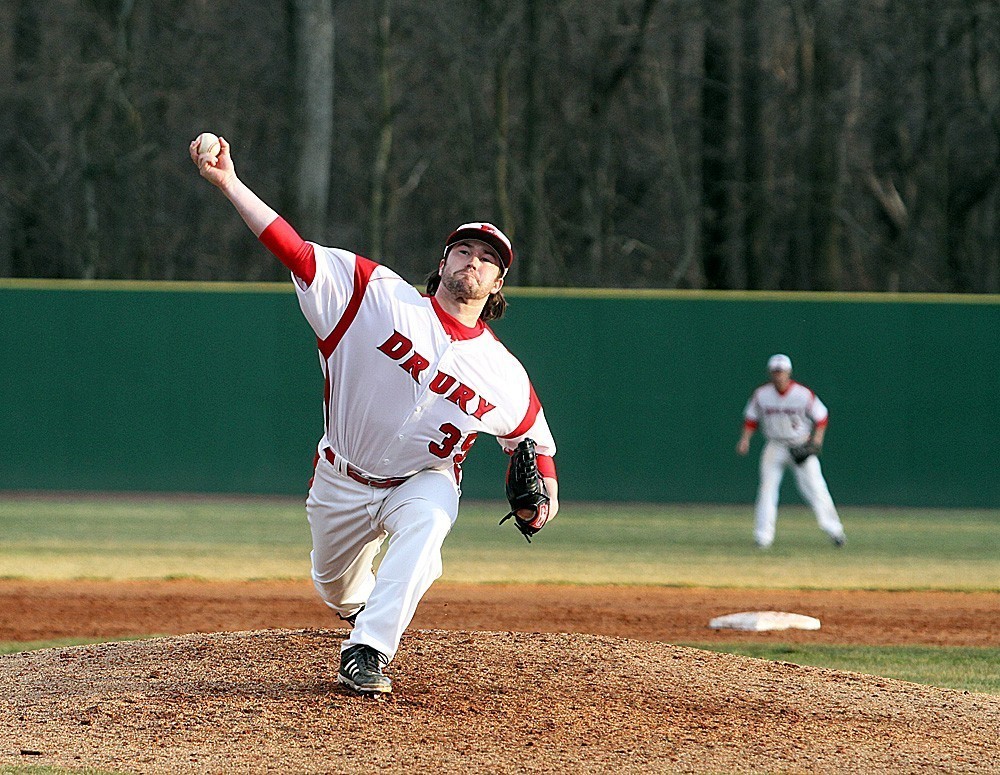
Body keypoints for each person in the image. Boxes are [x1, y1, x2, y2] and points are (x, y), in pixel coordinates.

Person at [190, 135, 559, 695]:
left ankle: (367, 650)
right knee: (333, 586)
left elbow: (537, 448)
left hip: (421, 480)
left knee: (430, 522)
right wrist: (229, 183)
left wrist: (541, 509)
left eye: (488, 260)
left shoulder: (504, 373)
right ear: (443, 262)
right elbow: (295, 251)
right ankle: (363, 608)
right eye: (464, 250)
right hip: (340, 477)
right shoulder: (375, 295)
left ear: (498, 284)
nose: (475, 262)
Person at [736, 354, 846, 549]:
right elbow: (751, 419)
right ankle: (763, 537)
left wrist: (817, 440)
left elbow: (821, 416)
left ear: (789, 372)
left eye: (782, 372)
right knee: (767, 490)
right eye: (775, 372)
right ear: (770, 373)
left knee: (816, 488)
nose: (779, 375)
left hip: (799, 443)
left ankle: (835, 531)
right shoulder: (762, 394)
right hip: (775, 445)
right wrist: (745, 440)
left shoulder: (802, 394)